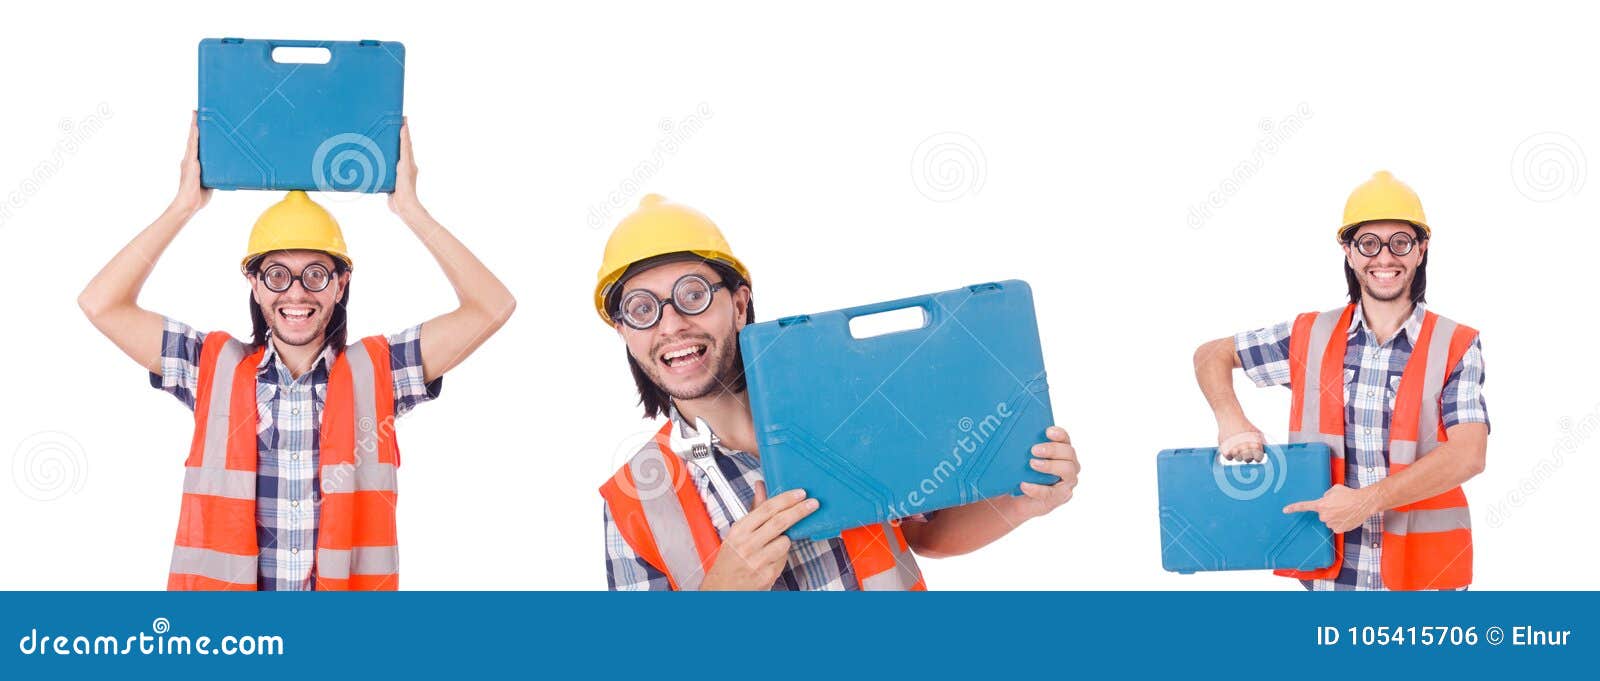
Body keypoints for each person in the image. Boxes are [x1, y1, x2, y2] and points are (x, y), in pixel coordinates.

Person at [77, 114, 516, 590]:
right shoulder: (210, 368)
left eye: (315, 275)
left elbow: (492, 307)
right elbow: (101, 304)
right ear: (254, 283)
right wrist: (184, 206)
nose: (296, 295)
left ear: (340, 283)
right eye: (277, 276)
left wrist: (410, 209)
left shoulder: (380, 373)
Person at [595, 195, 1081, 590]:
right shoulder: (635, 498)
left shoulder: (846, 406)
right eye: (641, 309)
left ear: (739, 305)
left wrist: (1023, 502)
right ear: (625, 332)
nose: (672, 325)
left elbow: (924, 532)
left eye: (693, 295)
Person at [1193, 171, 1488, 590]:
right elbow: (1211, 354)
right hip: (1330, 579)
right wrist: (1231, 419)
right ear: (1349, 252)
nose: (1384, 258)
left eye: (1400, 243)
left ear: (1421, 250)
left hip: (1423, 581)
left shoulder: (1455, 344)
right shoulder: (1308, 337)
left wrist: (1366, 502)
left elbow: (1468, 455)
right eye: (1369, 243)